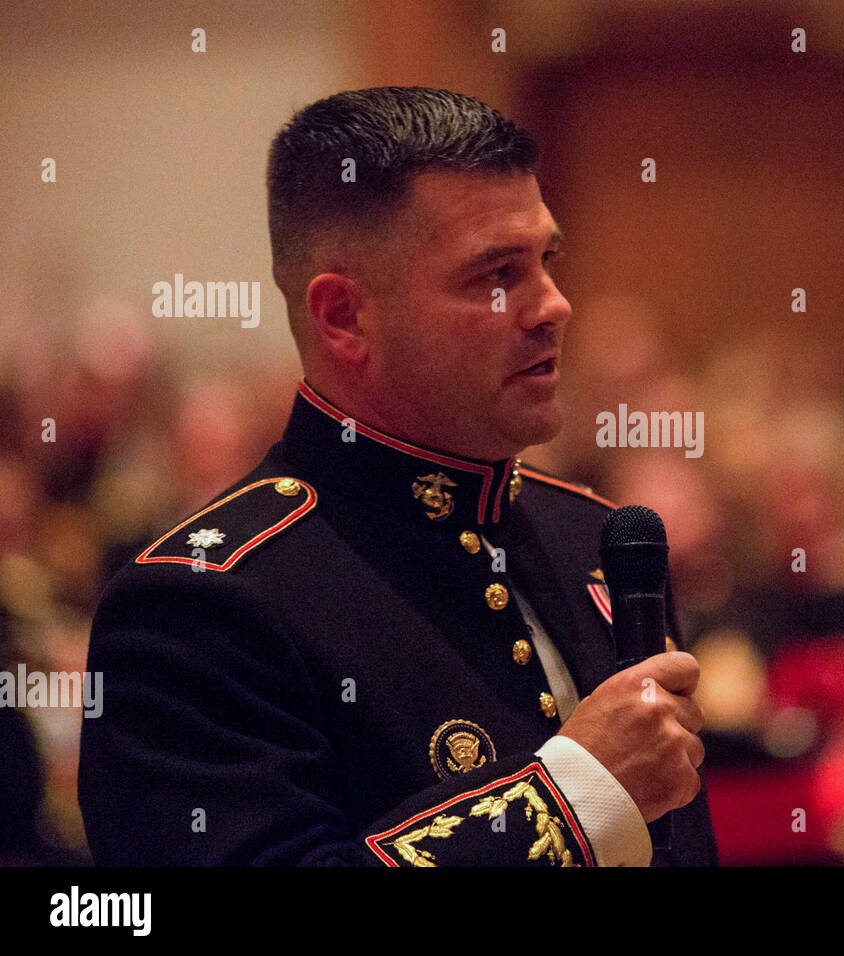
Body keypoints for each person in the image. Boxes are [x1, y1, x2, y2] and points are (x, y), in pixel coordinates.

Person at [78, 87, 717, 867]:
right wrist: (573, 798)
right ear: (344, 318)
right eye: (498, 274)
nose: (554, 306)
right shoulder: (200, 606)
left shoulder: (596, 538)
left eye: (546, 261)